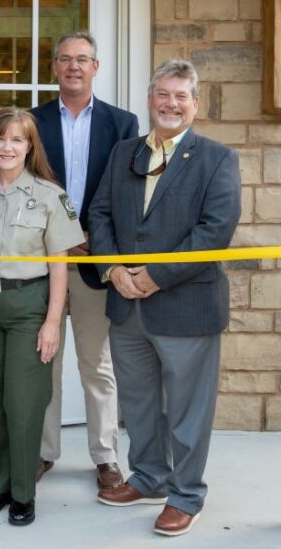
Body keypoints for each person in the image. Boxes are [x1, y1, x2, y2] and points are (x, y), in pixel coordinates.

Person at [88, 60, 241, 536]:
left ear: (194, 103)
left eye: (180, 96)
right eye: (163, 95)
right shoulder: (123, 153)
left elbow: (214, 231)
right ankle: (150, 476)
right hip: (126, 303)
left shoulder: (217, 158)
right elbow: (101, 213)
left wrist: (154, 275)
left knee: (188, 409)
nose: (170, 104)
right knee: (137, 402)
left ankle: (186, 494)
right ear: (150, 100)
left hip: (186, 305)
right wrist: (114, 269)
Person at [0, 107, 84, 526]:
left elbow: (60, 266)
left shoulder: (50, 196)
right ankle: (0, 484)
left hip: (30, 306)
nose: (7, 147)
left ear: (30, 147)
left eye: (17, 140)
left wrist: (52, 322)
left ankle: (24, 493)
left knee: (24, 402)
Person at [30, 31, 139, 488]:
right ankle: (41, 452)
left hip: (96, 264)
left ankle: (106, 456)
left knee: (98, 365)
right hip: (41, 263)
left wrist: (97, 242)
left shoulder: (122, 123)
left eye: (83, 59)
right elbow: (22, 184)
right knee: (42, 362)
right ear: (54, 68)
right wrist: (55, 239)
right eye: (65, 59)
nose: (74, 67)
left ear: (96, 67)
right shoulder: (31, 121)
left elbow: (126, 194)